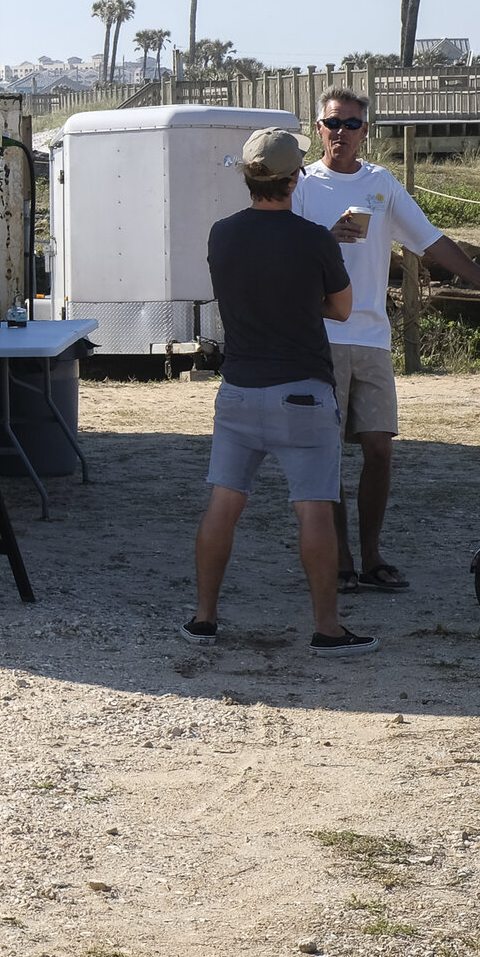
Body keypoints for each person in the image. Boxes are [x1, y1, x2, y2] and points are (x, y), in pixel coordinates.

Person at [292, 87, 480, 592]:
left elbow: (432, 241)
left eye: (352, 124)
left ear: (366, 132)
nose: (341, 133)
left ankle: (372, 556)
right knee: (326, 453)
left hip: (373, 338)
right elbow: (282, 252)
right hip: (321, 336)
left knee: (379, 449)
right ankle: (341, 560)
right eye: (333, 123)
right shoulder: (303, 184)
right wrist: (324, 238)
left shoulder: (382, 183)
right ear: (318, 128)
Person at [188, 126, 373, 655]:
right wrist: (305, 294)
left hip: (239, 389)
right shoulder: (314, 239)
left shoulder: (221, 234)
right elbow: (341, 309)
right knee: (314, 508)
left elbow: (243, 292)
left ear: (248, 177)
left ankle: (203, 618)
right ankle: (326, 628)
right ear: (295, 179)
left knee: (223, 503)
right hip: (303, 392)